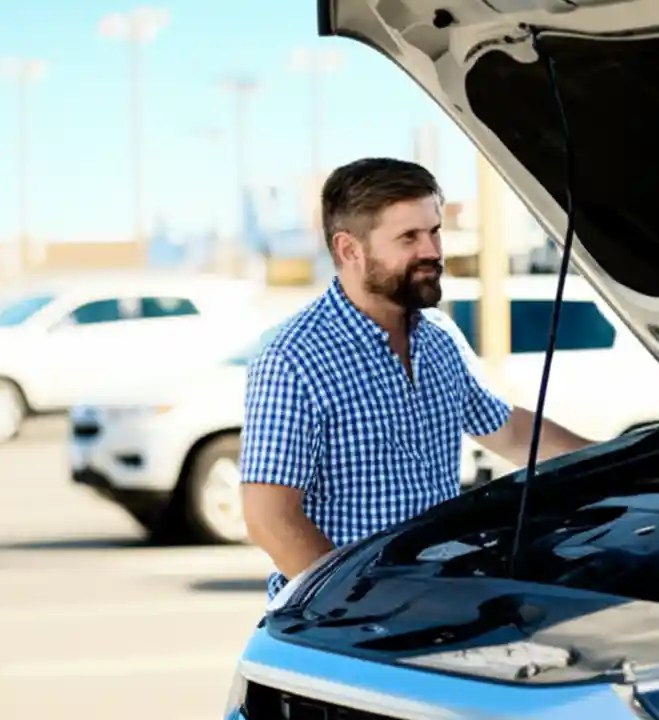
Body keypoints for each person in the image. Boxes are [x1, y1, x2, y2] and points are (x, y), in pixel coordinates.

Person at [239, 157, 596, 601]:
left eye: (434, 231)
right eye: (409, 237)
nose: (432, 251)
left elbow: (510, 429)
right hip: (352, 627)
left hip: (440, 600)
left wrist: (621, 463)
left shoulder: (439, 336)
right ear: (350, 249)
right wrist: (352, 606)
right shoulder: (294, 358)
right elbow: (270, 518)